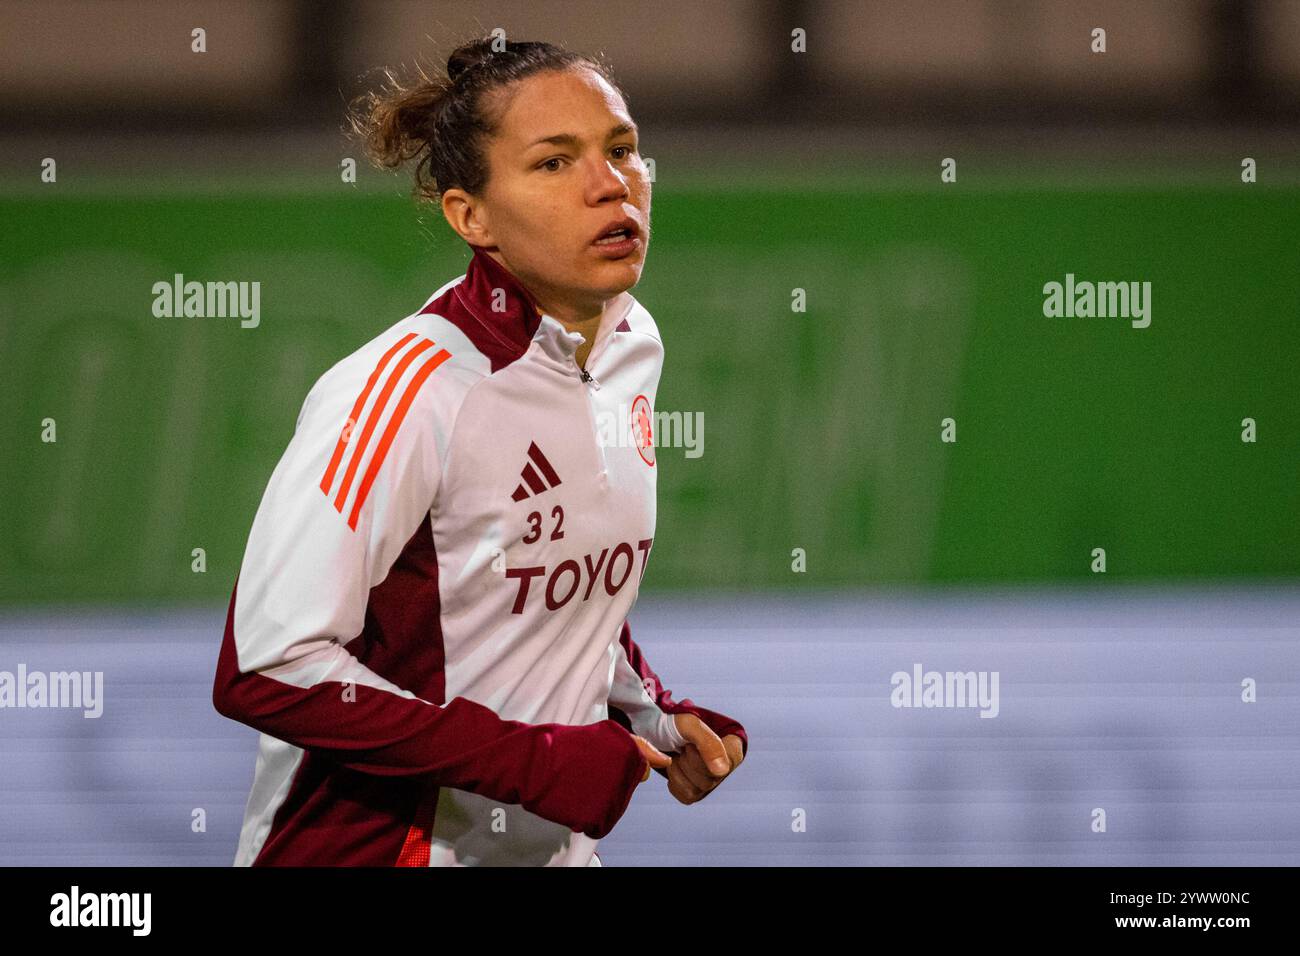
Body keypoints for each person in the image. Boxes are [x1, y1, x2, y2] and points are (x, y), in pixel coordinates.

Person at [211, 36, 748, 867]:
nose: (610, 184)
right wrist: (537, 765)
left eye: (622, 150)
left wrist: (651, 713)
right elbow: (267, 667)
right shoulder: (408, 390)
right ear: (472, 216)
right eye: (553, 163)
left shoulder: (632, 342)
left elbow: (545, 584)